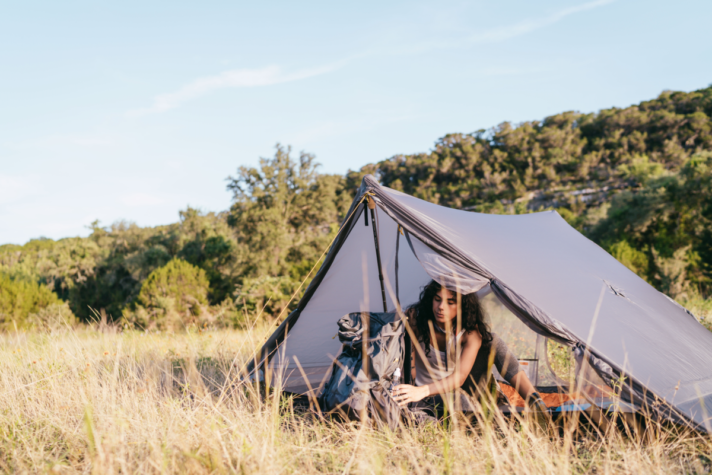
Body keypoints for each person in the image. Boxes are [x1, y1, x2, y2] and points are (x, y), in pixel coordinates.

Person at [392, 280, 546, 415]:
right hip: (425, 397)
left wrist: (421, 391)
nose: (441, 307)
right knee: (460, 401)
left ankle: (537, 404)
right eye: (437, 299)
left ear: (462, 306)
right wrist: (416, 391)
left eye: (450, 302)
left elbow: (459, 377)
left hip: (457, 389)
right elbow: (407, 370)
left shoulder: (470, 332)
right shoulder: (416, 321)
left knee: (493, 341)